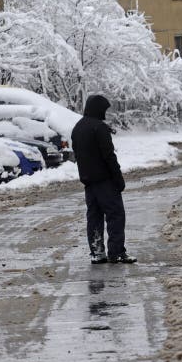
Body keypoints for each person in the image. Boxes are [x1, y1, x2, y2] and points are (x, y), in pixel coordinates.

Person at [72, 95, 136, 264]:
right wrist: (118, 179)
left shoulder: (78, 128)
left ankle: (97, 253)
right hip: (105, 182)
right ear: (98, 109)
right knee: (115, 215)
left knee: (94, 217)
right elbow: (109, 156)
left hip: (88, 182)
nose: (105, 113)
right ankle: (116, 252)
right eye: (104, 109)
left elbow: (77, 155)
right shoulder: (99, 128)